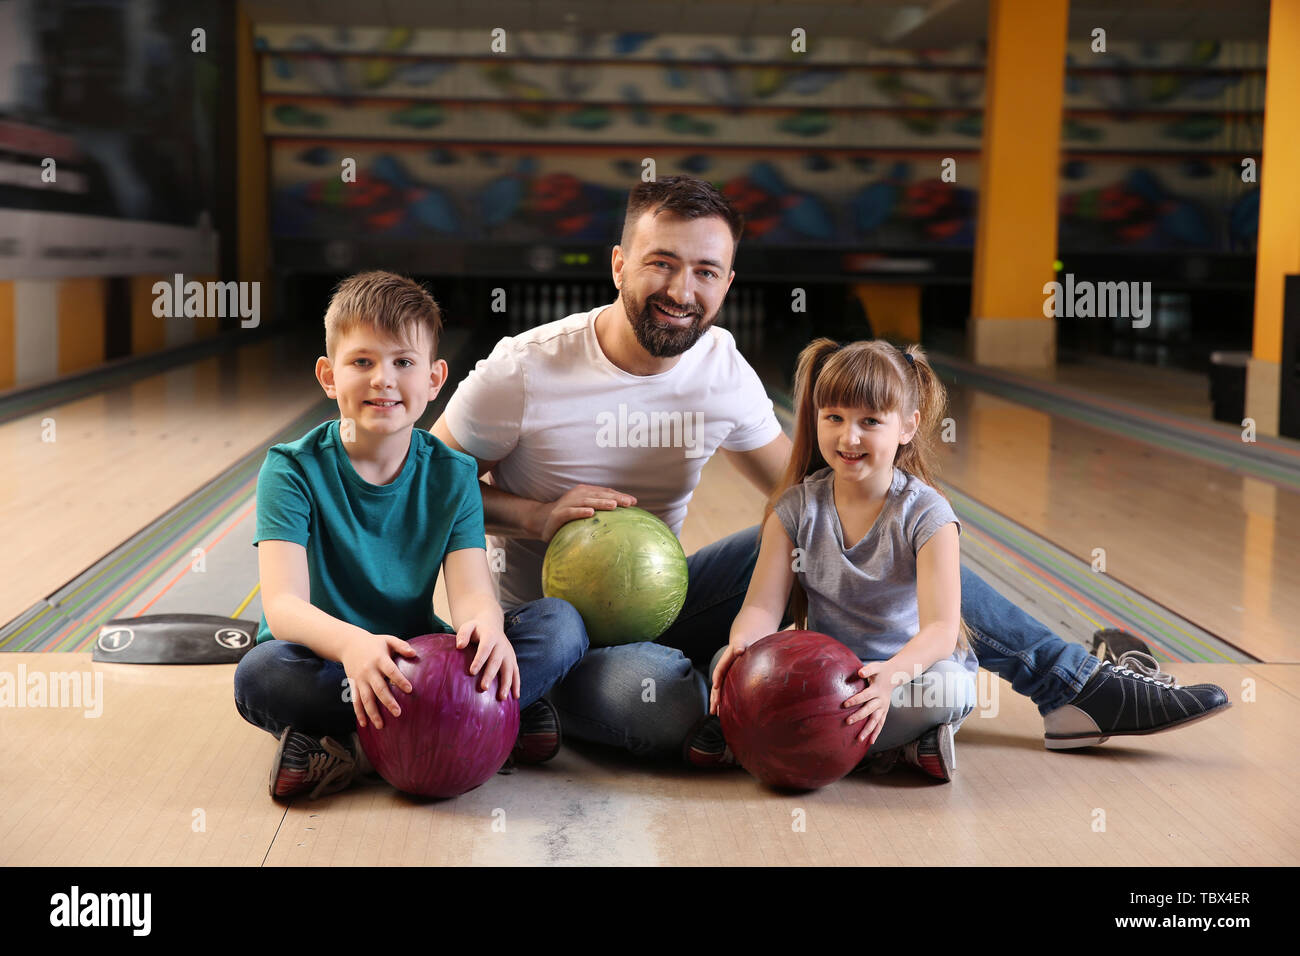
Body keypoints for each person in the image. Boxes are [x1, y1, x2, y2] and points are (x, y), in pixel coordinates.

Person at [432, 175, 1230, 765]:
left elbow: (816, 497)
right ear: (617, 264)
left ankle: (1072, 687)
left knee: (890, 519)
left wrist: (906, 514)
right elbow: (426, 488)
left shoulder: (717, 364)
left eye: (706, 272)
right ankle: (583, 699)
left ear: (729, 283)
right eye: (661, 264)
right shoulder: (525, 370)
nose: (683, 290)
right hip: (558, 629)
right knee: (669, 713)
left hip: (669, 602)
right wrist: (534, 516)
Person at [233, 271, 587, 800]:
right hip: (328, 663)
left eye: (403, 362)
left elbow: (470, 591)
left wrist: (487, 628)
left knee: (560, 625)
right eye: (362, 362)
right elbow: (283, 607)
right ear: (329, 376)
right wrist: (354, 646)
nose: (383, 379)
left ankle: (350, 746)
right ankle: (472, 722)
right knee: (260, 675)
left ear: (435, 379)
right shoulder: (290, 469)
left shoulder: (452, 473)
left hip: (419, 660)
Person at [709, 339, 976, 782]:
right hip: (830, 679)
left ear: (907, 427)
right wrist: (744, 644)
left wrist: (890, 677)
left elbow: (941, 631)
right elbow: (761, 608)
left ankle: (794, 742)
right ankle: (895, 747)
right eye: (834, 417)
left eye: (870, 421)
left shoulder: (928, 514)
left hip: (906, 672)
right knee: (729, 658)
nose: (848, 437)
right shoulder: (794, 508)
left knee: (950, 688)